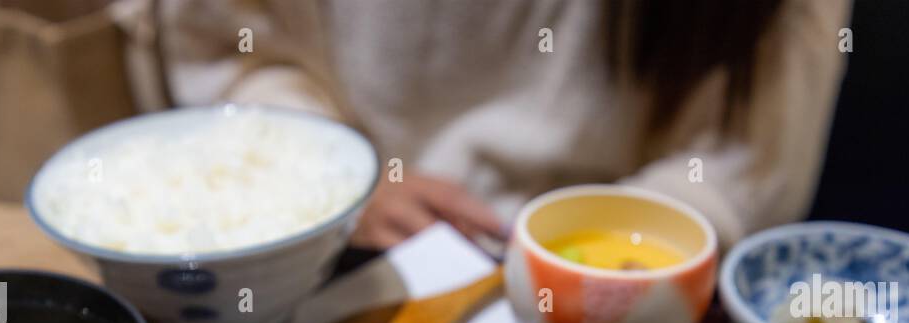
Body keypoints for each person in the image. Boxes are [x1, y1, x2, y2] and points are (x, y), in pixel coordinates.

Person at [160, 0, 850, 251]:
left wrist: (596, 251)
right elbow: (226, 47)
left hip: (637, 286)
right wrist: (332, 173)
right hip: (345, 247)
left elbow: (745, 164)